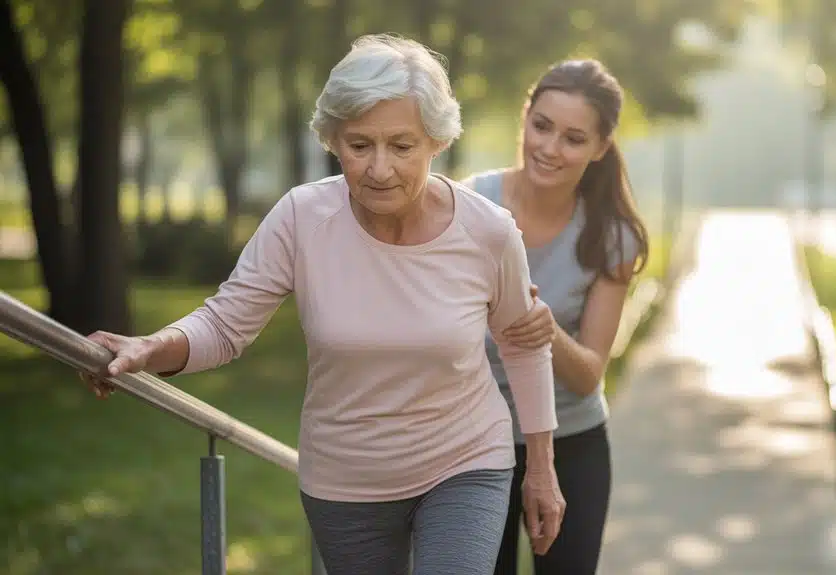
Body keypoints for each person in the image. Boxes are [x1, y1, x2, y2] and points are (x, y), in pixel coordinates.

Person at [78, 34, 566, 575]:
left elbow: (524, 345)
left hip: (466, 462)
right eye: (360, 145)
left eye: (402, 147)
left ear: (436, 141)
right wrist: (148, 347)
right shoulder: (302, 219)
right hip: (346, 479)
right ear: (332, 140)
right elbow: (224, 326)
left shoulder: (488, 232)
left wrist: (541, 468)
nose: (380, 169)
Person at [462, 59, 649, 575]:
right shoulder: (470, 204)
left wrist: (542, 327)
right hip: (473, 445)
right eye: (541, 126)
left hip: (573, 445)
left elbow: (589, 374)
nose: (548, 147)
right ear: (524, 118)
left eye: (572, 138)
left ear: (600, 147)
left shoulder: (611, 236)